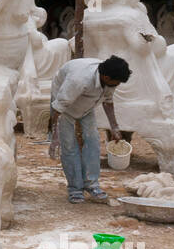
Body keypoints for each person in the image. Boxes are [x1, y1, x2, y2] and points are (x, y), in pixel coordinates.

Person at [47, 54, 131, 204]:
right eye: (116, 82)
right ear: (105, 77)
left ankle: (92, 185)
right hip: (64, 108)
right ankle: (75, 189)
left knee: (93, 141)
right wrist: (54, 136)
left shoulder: (110, 80)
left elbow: (108, 101)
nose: (117, 85)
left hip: (87, 106)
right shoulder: (78, 80)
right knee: (69, 146)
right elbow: (58, 109)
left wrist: (115, 127)